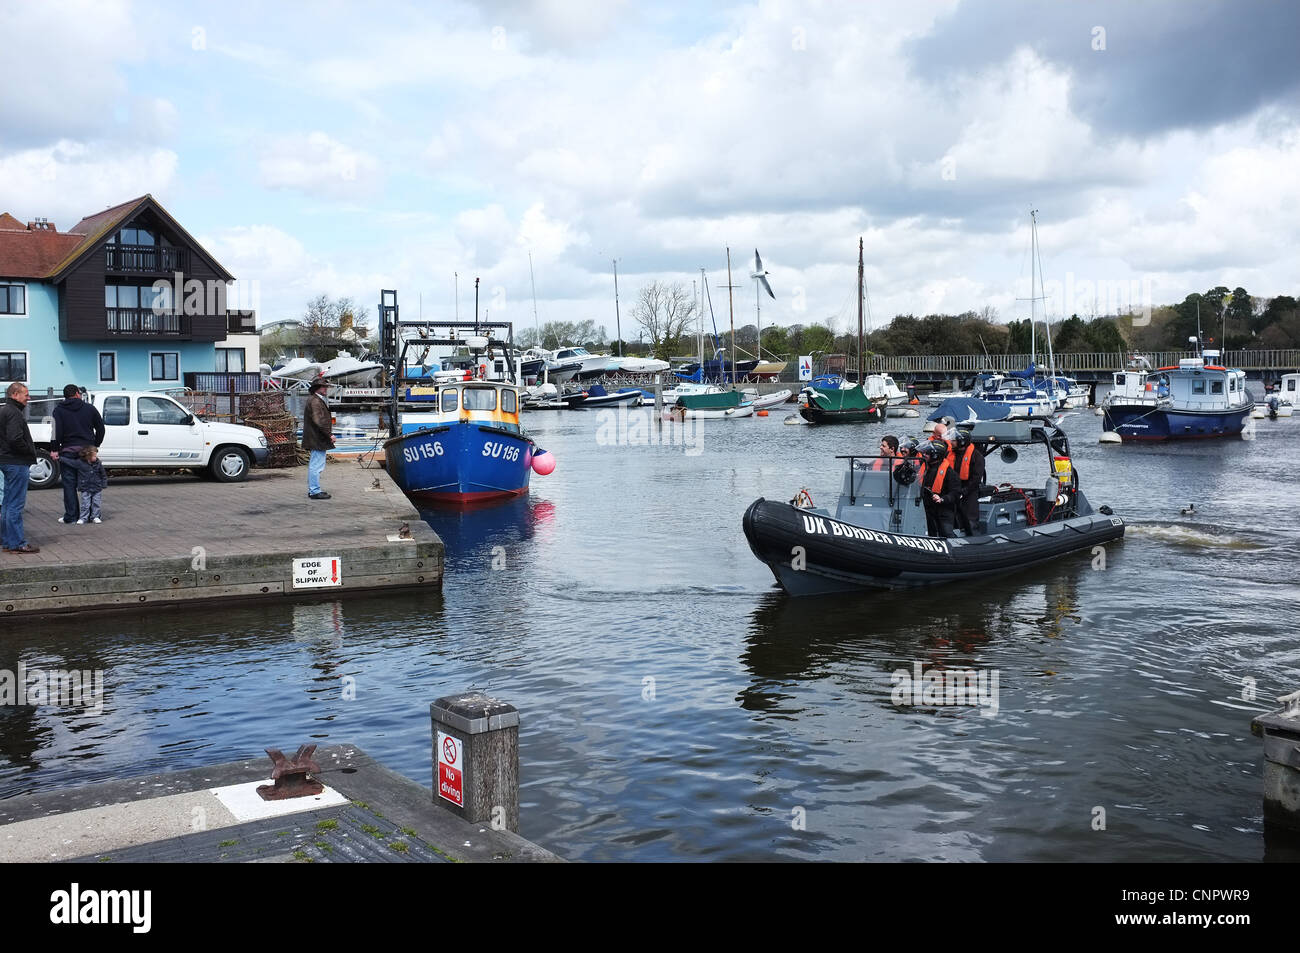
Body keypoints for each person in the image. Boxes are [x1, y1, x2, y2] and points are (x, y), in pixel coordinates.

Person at [51, 383, 105, 524]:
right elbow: (100, 428)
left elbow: (56, 432)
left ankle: (71, 516)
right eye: (79, 393)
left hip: (68, 450)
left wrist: (55, 449)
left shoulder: (58, 410)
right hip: (87, 451)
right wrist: (95, 445)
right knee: (90, 483)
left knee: (69, 484)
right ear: (76, 393)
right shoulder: (89, 408)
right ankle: (93, 515)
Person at [0, 381, 39, 553]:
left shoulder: (4, 410)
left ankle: (8, 542)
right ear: (15, 394)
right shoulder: (14, 413)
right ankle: (17, 543)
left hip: (6, 460)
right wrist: (28, 451)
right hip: (16, 462)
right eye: (25, 394)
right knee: (15, 504)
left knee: (7, 504)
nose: (28, 398)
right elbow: (15, 439)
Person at [917, 439, 959, 538]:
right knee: (929, 531)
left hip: (944, 509)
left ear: (935, 455)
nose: (924, 455)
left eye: (927, 453)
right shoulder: (924, 468)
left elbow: (955, 493)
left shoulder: (950, 473)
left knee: (946, 532)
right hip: (927, 508)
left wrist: (942, 499)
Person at [302, 379, 335, 500]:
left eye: (326, 387)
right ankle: (314, 491)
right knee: (316, 465)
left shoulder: (314, 399)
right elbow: (319, 421)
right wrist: (329, 435)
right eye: (323, 387)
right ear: (317, 388)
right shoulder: (315, 401)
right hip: (317, 439)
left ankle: (314, 489)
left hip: (315, 438)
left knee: (315, 464)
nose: (326, 389)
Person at [951, 429, 987, 535]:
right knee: (954, 517)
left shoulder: (977, 457)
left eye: (954, 440)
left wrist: (964, 491)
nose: (951, 442)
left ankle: (973, 538)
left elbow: (976, 479)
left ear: (962, 442)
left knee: (969, 518)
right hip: (955, 490)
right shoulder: (952, 454)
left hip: (969, 491)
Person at [75, 445, 109, 524]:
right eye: (94, 456)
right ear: (88, 456)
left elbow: (103, 474)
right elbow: (70, 463)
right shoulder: (80, 463)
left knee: (96, 503)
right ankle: (83, 518)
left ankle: (95, 517)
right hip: (85, 488)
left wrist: (104, 484)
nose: (96, 457)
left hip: (97, 487)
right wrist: (61, 458)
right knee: (85, 504)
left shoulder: (98, 463)